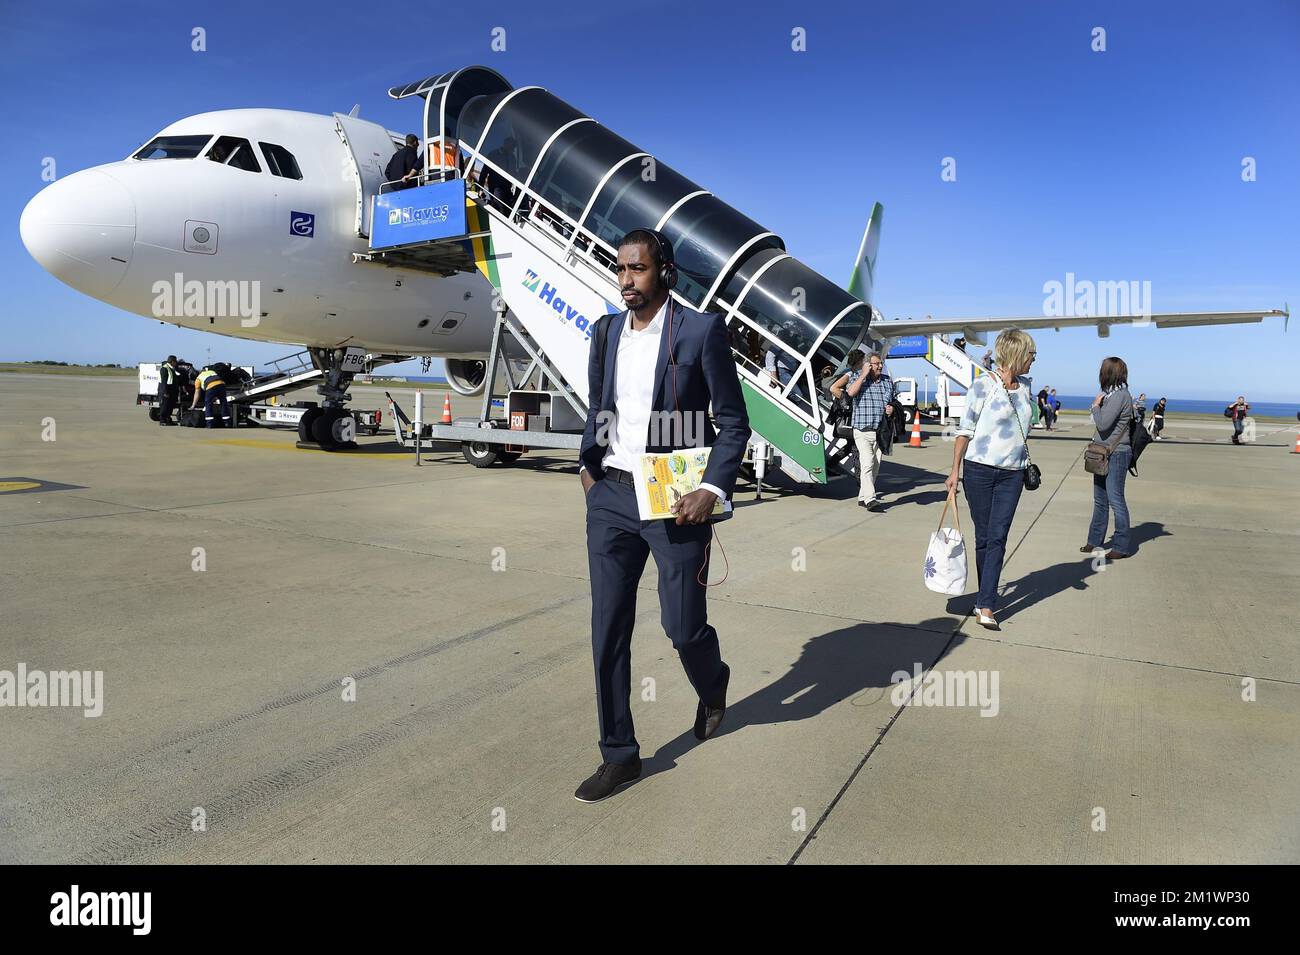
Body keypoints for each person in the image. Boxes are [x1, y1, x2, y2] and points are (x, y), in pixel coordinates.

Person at [574, 228, 749, 802]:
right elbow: (603, 406)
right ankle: (620, 755)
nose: (626, 280)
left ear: (664, 271)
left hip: (675, 503)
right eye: (620, 269)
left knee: (682, 627)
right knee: (608, 631)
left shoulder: (699, 332)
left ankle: (713, 681)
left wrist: (712, 489)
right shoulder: (605, 332)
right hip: (612, 498)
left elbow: (732, 423)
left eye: (638, 269)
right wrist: (589, 467)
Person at [944, 329, 1037, 631]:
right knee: (984, 537)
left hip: (1012, 473)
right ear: (1016, 354)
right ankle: (984, 595)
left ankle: (986, 605)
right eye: (1030, 354)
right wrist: (954, 470)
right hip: (979, 471)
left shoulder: (1026, 388)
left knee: (998, 536)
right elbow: (965, 430)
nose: (1034, 360)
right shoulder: (982, 386)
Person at [830, 349, 897, 510]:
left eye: (881, 363)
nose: (880, 366)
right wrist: (863, 375)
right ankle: (870, 499)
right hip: (861, 429)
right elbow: (849, 392)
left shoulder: (887, 381)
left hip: (881, 430)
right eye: (877, 363)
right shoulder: (856, 378)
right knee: (866, 463)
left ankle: (862, 496)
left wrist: (892, 409)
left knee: (875, 465)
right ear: (868, 365)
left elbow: (894, 401)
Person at [1082, 357, 1135, 559]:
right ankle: (1094, 541)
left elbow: (1103, 424)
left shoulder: (1120, 396)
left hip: (1116, 453)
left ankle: (1121, 546)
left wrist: (1096, 406)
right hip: (1102, 453)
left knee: (1115, 499)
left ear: (1108, 373)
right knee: (1100, 500)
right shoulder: (1112, 395)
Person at [157, 355, 180, 426]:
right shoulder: (164, 369)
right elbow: (164, 382)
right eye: (175, 361)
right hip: (166, 391)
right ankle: (162, 421)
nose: (176, 363)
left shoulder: (172, 368)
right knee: (164, 406)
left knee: (170, 407)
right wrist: (165, 392)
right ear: (172, 361)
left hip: (172, 391)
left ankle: (168, 420)